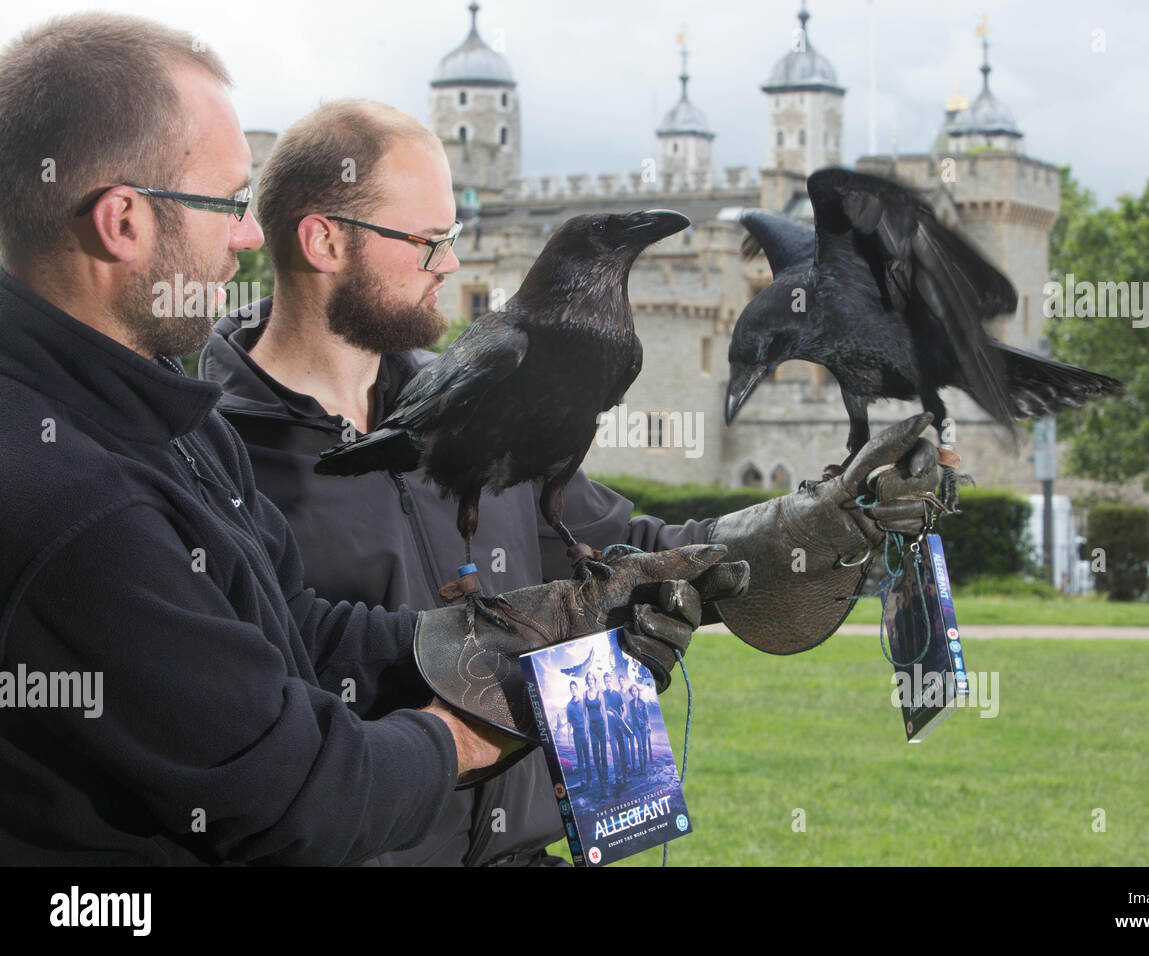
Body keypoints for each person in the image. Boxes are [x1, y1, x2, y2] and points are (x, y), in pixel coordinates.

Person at [0, 11, 727, 864]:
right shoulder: (74, 499)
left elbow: (300, 630)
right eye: (229, 203)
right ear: (123, 222)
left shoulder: (174, 430)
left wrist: (508, 639)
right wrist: (505, 710)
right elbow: (290, 789)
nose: (248, 235)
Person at [198, 95, 945, 864]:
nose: (452, 264)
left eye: (453, 238)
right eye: (427, 242)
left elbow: (628, 551)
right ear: (323, 241)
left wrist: (816, 524)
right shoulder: (205, 454)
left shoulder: (494, 382)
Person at [583, 672, 610, 796]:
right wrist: (586, 730)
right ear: (587, 680)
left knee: (604, 754)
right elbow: (584, 714)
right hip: (592, 728)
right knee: (596, 755)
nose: (590, 681)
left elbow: (604, 712)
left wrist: (607, 730)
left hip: (601, 726)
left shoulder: (600, 694)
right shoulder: (584, 694)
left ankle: (606, 779)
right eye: (588, 679)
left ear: (595, 680)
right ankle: (601, 780)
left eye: (592, 679)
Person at [564, 681, 594, 789]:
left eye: (574, 688)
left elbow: (587, 717)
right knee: (580, 758)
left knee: (587, 757)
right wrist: (568, 737)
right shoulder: (569, 706)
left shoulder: (583, 703)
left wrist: (587, 732)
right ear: (570, 690)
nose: (573, 690)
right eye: (571, 688)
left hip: (584, 733)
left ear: (577, 688)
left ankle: (589, 779)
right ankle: (582, 780)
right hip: (576, 734)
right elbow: (569, 722)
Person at [628, 683, 651, 773]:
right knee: (640, 747)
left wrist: (648, 726)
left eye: (636, 691)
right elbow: (632, 717)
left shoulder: (643, 703)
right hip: (636, 727)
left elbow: (646, 716)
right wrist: (633, 727)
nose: (634, 693)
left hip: (643, 727)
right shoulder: (630, 703)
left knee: (644, 747)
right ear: (631, 693)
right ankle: (642, 769)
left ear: (638, 691)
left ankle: (644, 766)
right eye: (633, 691)